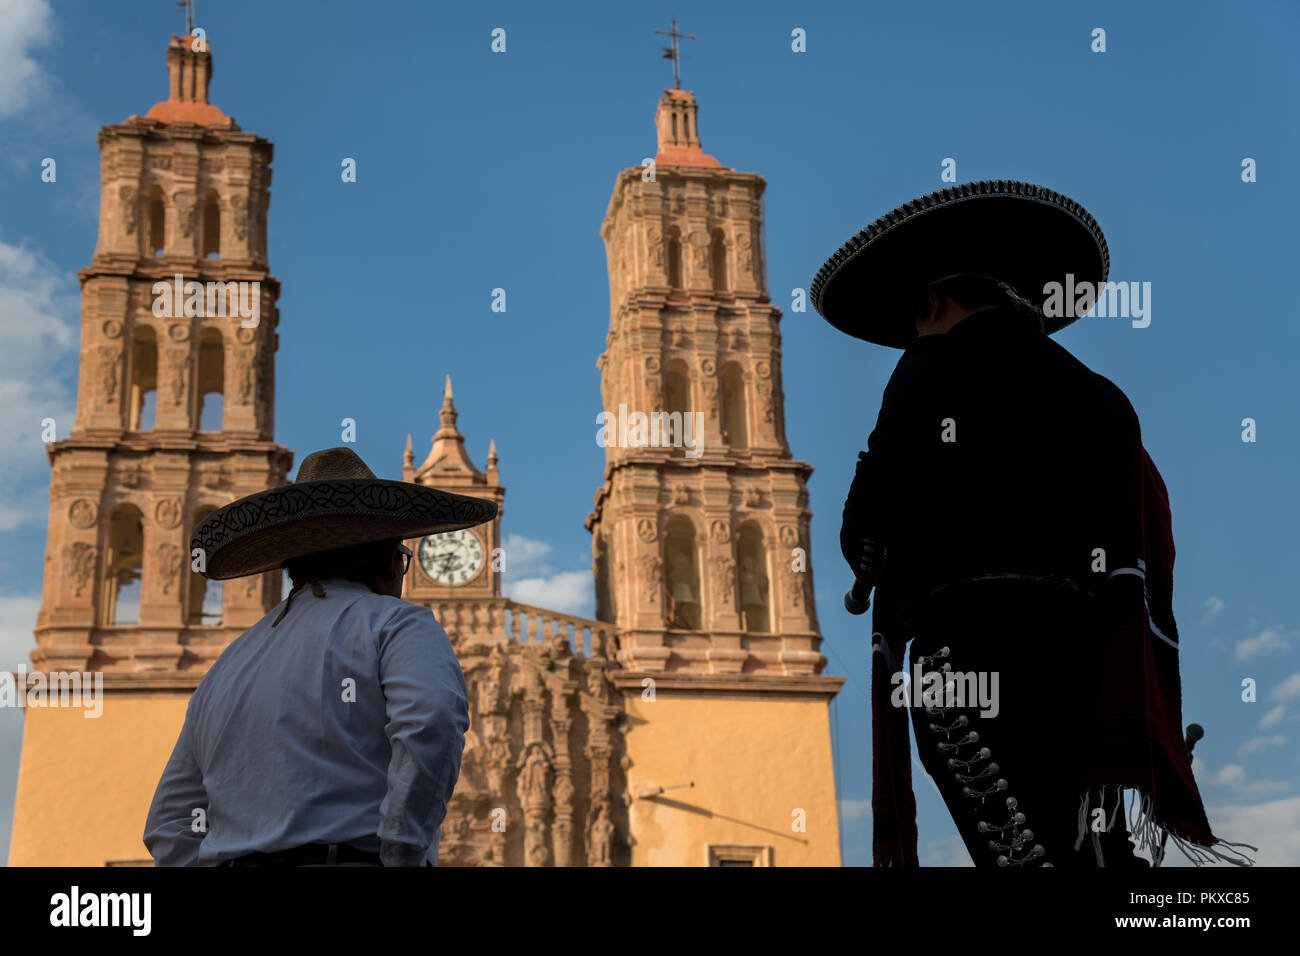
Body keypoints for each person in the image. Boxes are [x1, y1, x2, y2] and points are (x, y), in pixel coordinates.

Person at [811, 180, 1254, 868]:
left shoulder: (929, 367)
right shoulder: (1098, 394)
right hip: (1088, 663)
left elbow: (872, 515)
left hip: (967, 656)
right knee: (1089, 851)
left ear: (932, 304)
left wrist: (866, 547)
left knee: (1026, 857)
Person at [143, 446, 497, 866]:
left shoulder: (229, 663)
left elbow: (169, 821)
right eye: (404, 560)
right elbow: (431, 721)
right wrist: (402, 854)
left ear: (293, 564)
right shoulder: (397, 624)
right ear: (389, 561)